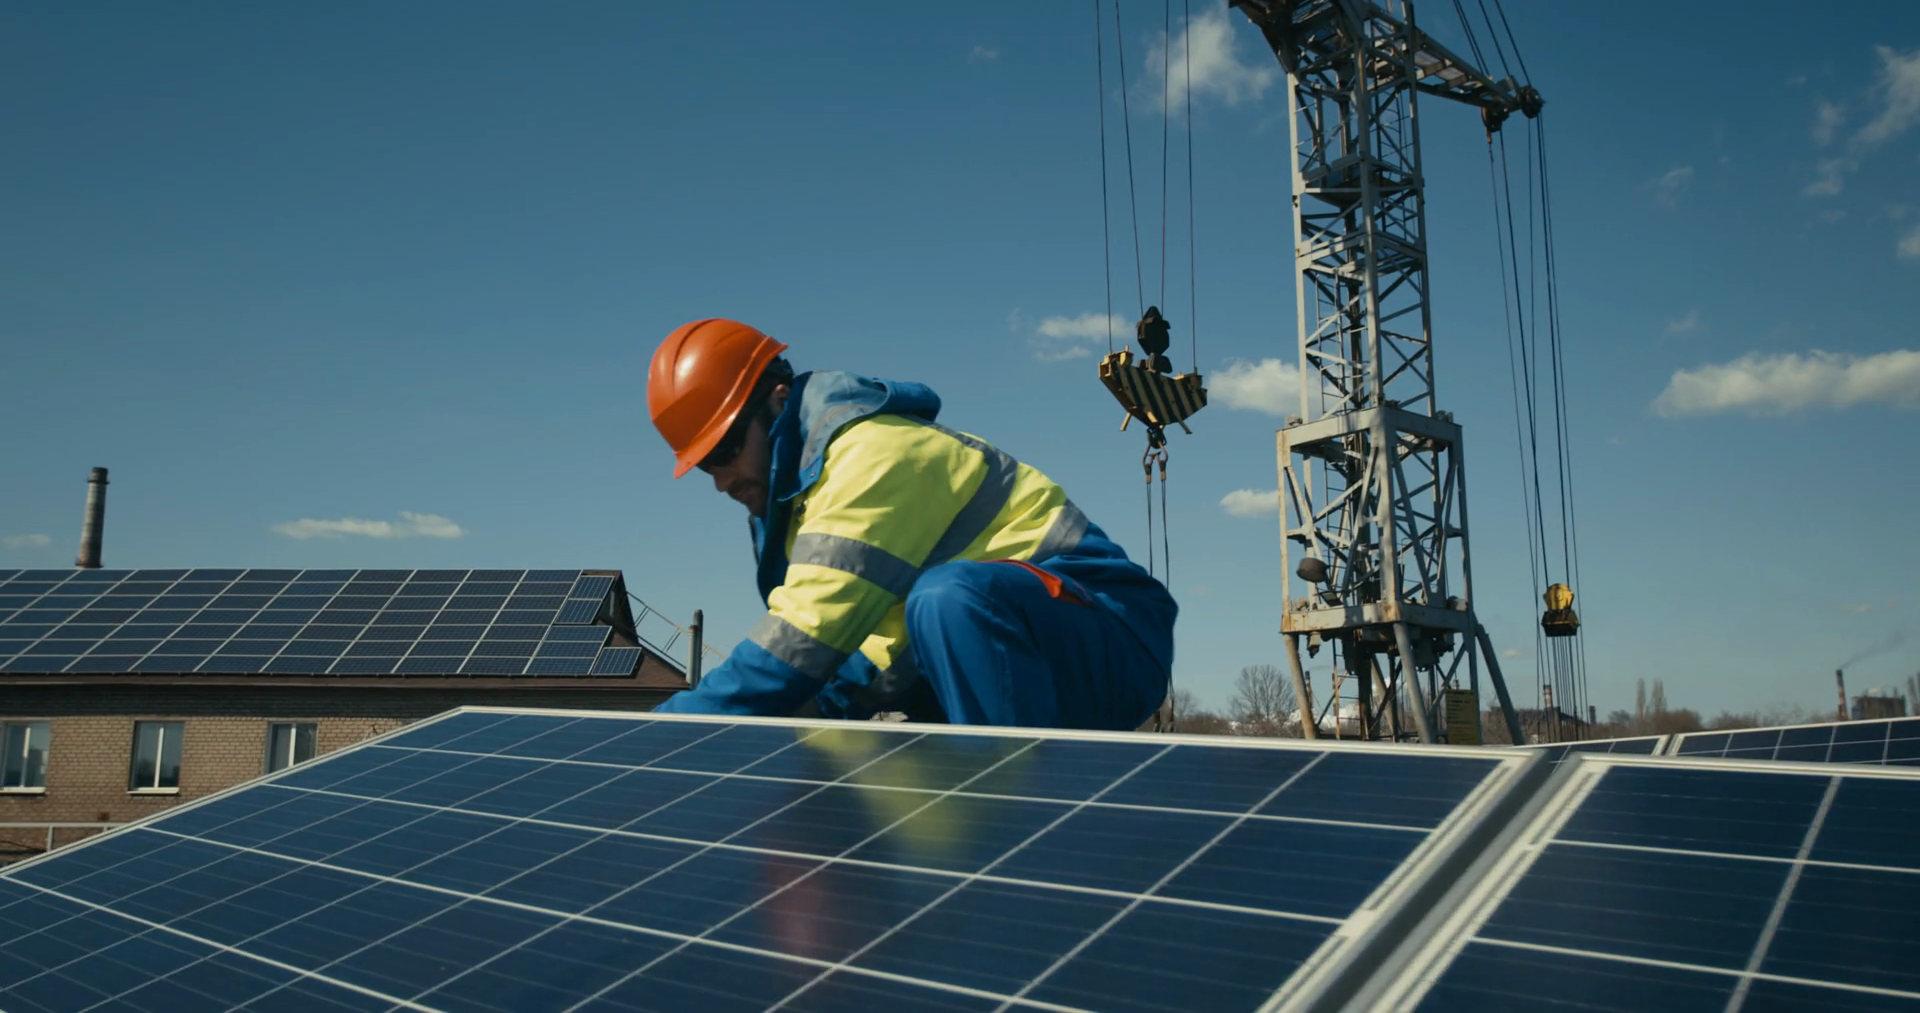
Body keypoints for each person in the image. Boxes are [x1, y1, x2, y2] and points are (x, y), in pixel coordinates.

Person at [645, 318, 1177, 730]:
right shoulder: (792, 505)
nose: (722, 479)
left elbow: (800, 641)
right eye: (706, 466)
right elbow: (866, 655)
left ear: (778, 404)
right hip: (991, 656)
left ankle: (1024, 827)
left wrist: (662, 733)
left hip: (1112, 635)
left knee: (949, 597)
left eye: (727, 449)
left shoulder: (871, 454)